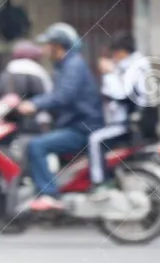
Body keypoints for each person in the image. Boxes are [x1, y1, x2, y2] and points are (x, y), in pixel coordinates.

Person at [16, 22, 105, 212]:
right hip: (74, 124)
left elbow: (63, 96)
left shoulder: (73, 66)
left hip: (82, 128)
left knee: (37, 146)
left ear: (58, 46)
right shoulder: (66, 66)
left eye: (48, 44)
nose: (45, 49)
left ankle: (49, 194)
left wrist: (35, 104)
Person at [88, 32, 150, 198]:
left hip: (130, 123)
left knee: (95, 139)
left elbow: (121, 95)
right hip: (135, 120)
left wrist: (109, 74)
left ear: (122, 52)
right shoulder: (139, 64)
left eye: (114, 54)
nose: (113, 58)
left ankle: (100, 182)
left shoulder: (134, 67)